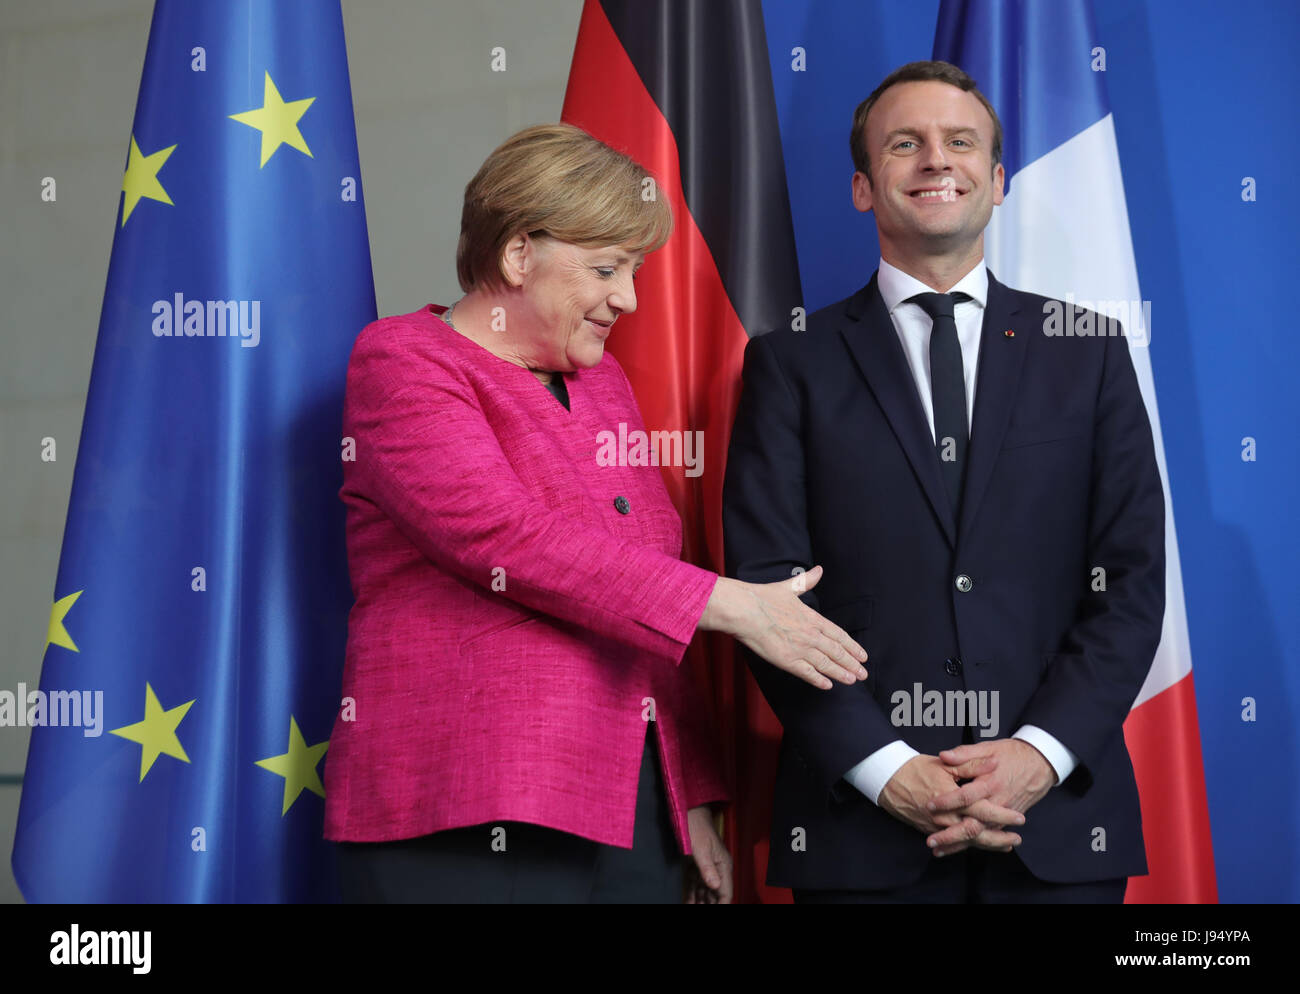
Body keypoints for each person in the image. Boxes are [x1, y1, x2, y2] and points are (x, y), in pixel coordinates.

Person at [323, 123, 868, 904]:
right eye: (608, 268)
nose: (630, 298)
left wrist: (692, 799)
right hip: (464, 803)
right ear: (517, 255)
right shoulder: (404, 358)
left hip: (632, 805)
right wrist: (733, 605)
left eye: (636, 270)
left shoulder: (604, 381)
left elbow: (646, 588)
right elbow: (499, 534)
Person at [723, 61, 1165, 903]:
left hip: (1059, 830)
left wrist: (1037, 756)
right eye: (905, 144)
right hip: (861, 835)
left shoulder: (1089, 350)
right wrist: (889, 772)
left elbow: (1133, 587)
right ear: (862, 187)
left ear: (997, 182)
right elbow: (769, 601)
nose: (935, 160)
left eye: (959, 142)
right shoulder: (789, 364)